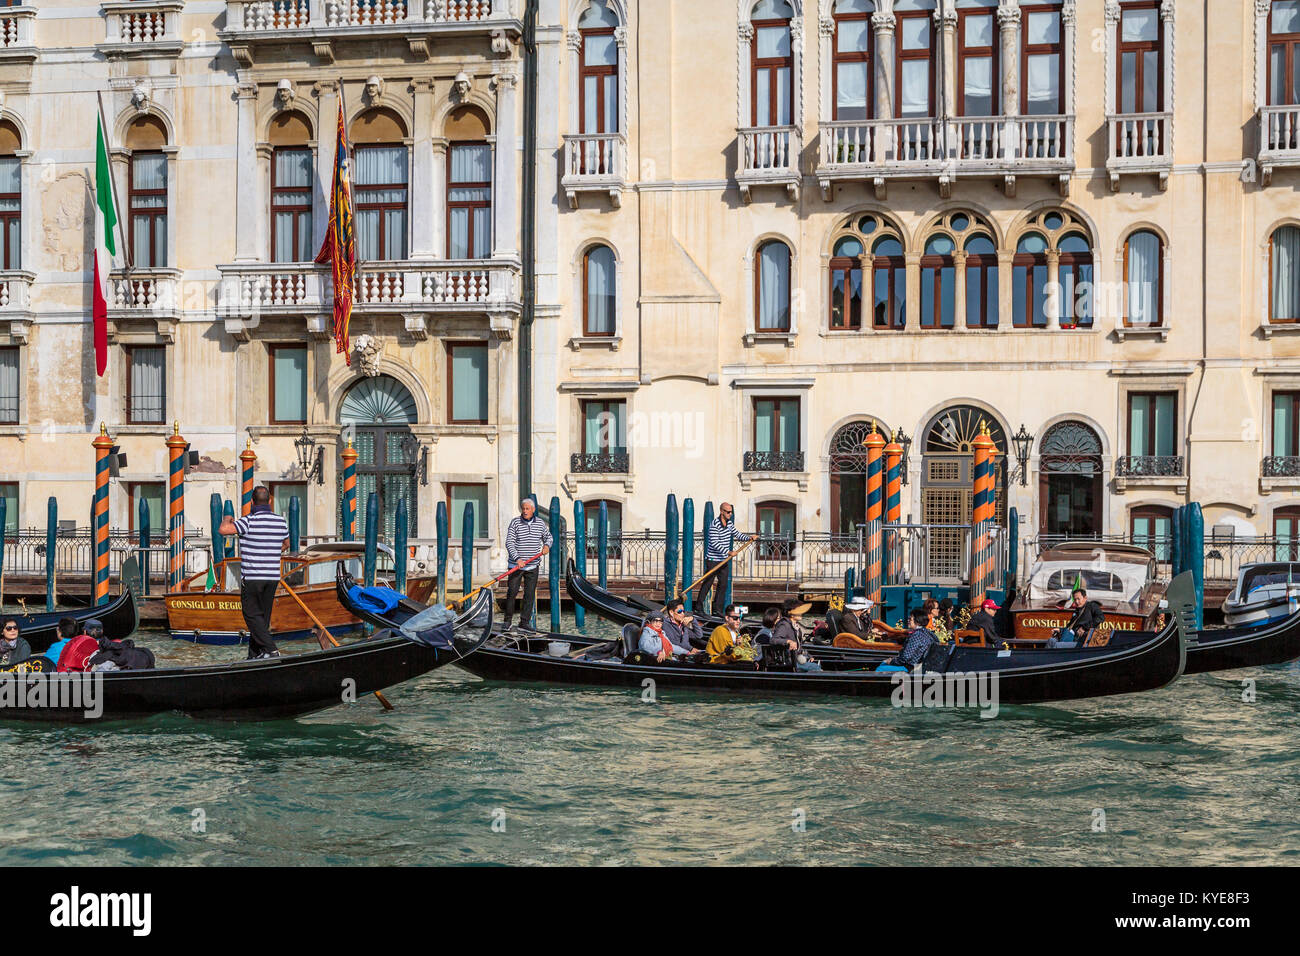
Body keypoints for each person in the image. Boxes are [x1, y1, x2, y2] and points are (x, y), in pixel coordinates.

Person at [219, 485, 290, 660]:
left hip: (252, 577)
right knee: (262, 619)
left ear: (252, 501)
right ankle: (255, 656)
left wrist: (227, 517)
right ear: (270, 501)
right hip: (272, 577)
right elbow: (286, 544)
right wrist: (270, 551)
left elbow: (223, 530)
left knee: (251, 615)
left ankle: (271, 650)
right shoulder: (280, 521)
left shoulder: (248, 521)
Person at [502, 498, 553, 630]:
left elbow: (549, 537)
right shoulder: (515, 523)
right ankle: (507, 621)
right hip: (516, 565)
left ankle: (524, 622)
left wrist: (547, 545)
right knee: (512, 592)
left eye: (527, 509)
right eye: (523, 509)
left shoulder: (540, 523)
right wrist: (517, 559)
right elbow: (509, 542)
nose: (525, 511)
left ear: (533, 510)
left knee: (529, 594)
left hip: (532, 565)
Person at [697, 503, 751, 616]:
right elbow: (714, 543)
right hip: (712, 559)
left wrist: (749, 538)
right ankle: (699, 608)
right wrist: (728, 552)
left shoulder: (730, 524)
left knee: (723, 584)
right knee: (708, 583)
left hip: (723, 560)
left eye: (731, 512)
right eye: (728, 512)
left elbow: (738, 535)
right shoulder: (714, 525)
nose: (730, 514)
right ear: (721, 511)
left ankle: (717, 610)